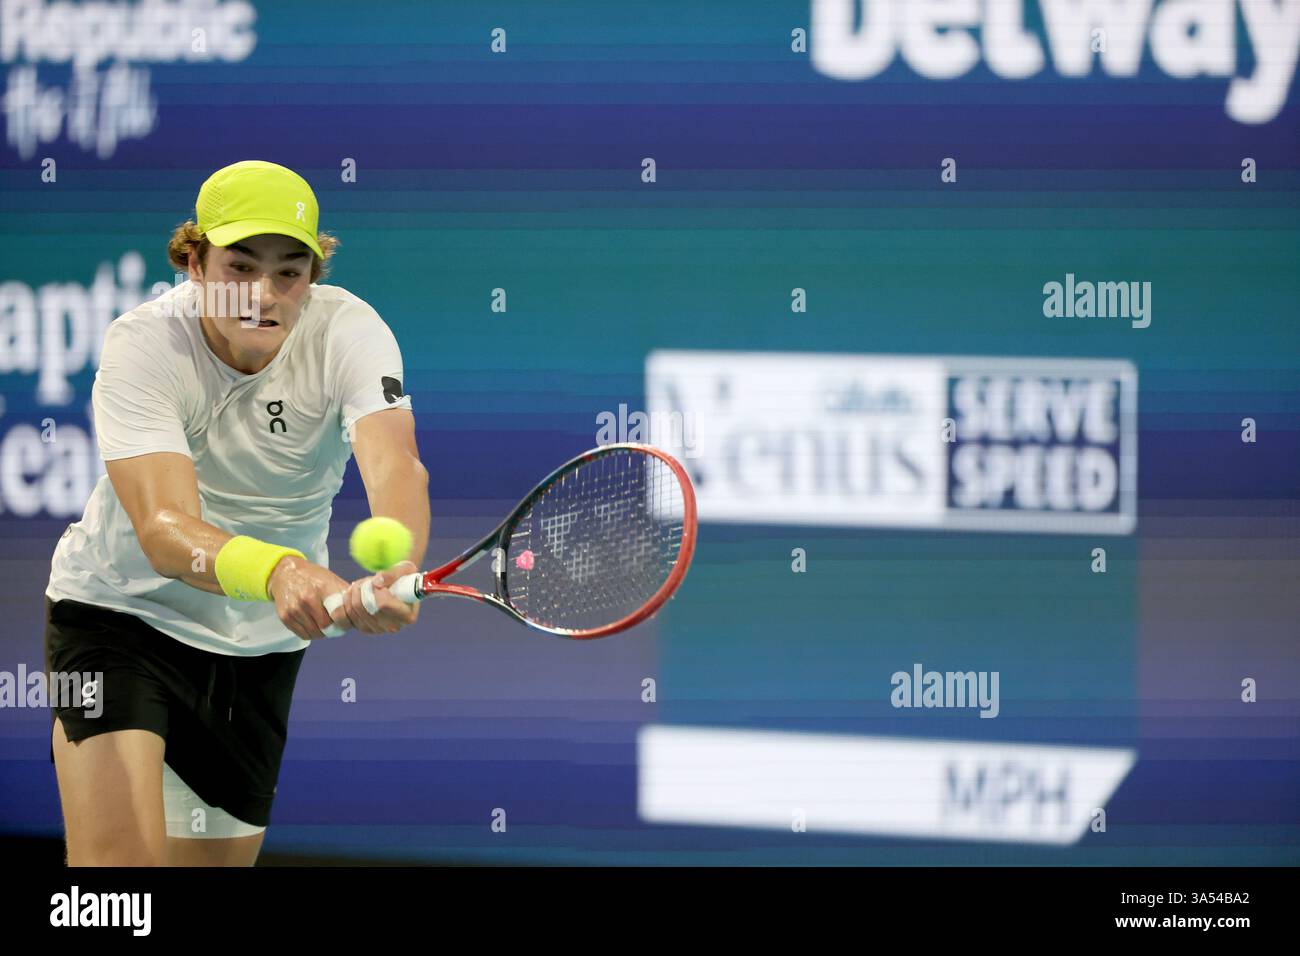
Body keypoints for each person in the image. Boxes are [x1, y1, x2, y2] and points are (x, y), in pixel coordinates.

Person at [43, 160, 430, 866]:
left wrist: (397, 562)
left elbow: (394, 462)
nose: (264, 294)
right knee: (119, 893)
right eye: (240, 267)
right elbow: (163, 532)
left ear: (314, 275)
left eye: (289, 272)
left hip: (255, 651)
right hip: (118, 620)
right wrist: (280, 569)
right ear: (193, 261)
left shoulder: (350, 331)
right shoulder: (145, 345)